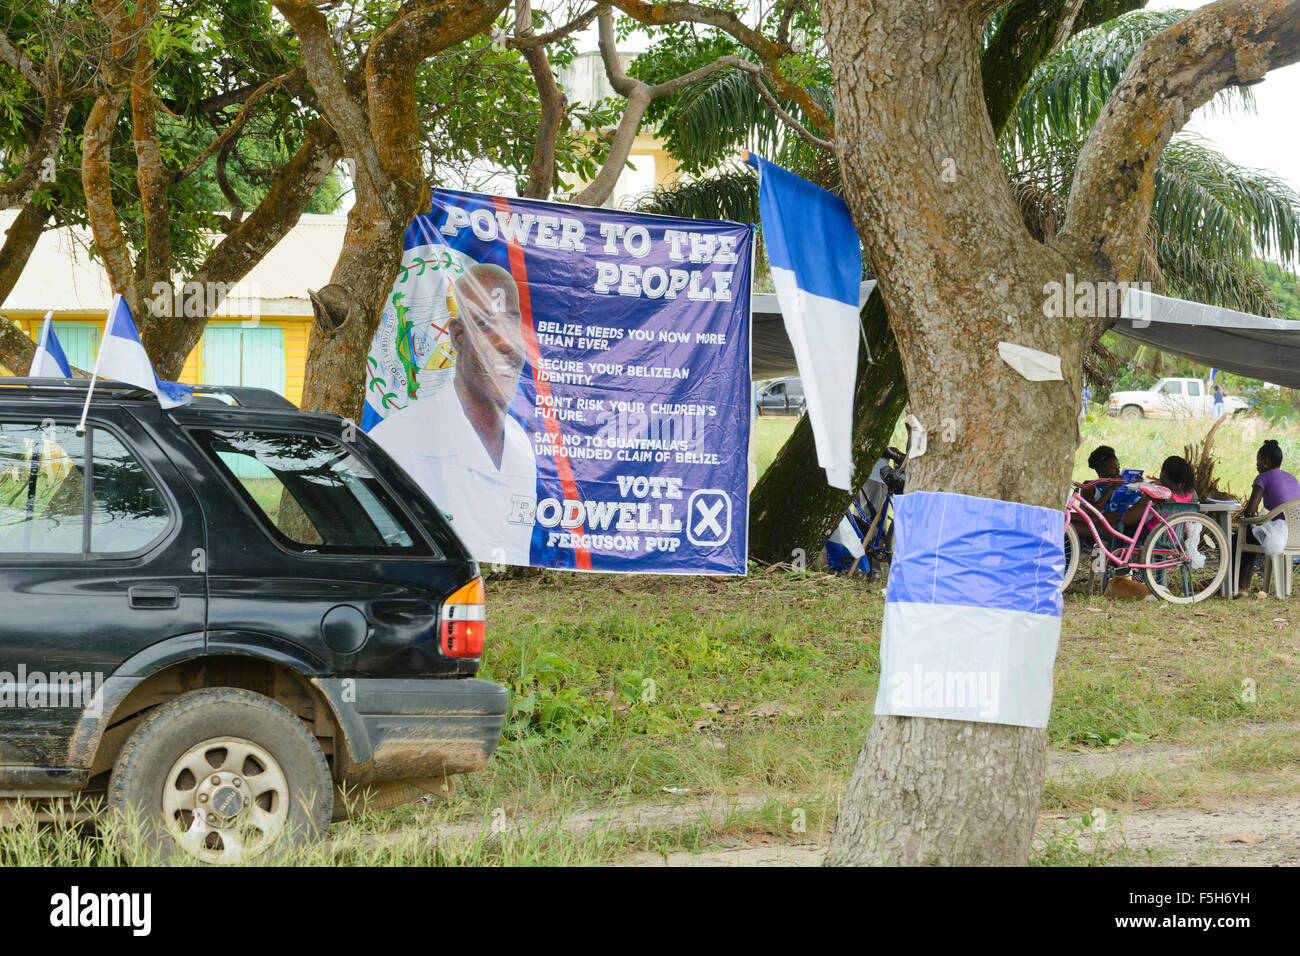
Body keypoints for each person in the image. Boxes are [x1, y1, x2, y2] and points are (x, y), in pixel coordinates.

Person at [369, 263, 537, 565]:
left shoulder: (521, 446)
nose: (504, 342)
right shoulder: (392, 444)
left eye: (511, 324)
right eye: (484, 325)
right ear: (458, 336)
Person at [1234, 439, 1300, 597]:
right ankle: (1244, 583)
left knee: (1239, 538)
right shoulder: (1292, 478)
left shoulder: (1263, 477)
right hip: (1296, 534)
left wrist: (1243, 519)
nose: (1256, 464)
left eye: (1258, 460)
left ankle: (1238, 583)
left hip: (1279, 533)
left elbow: (1250, 511)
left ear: (1265, 461)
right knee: (1253, 535)